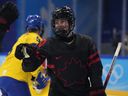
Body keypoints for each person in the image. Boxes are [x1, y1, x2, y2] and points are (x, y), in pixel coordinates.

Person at [15, 6, 106, 96]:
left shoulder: (86, 43)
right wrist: (27, 54)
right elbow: (29, 67)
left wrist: (98, 90)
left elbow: (95, 70)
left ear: (70, 23)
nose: (59, 25)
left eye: (62, 21)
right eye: (56, 22)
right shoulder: (48, 44)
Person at [0, 15, 50, 96]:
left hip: (2, 77)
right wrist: (38, 75)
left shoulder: (21, 38)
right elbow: (33, 56)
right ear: (41, 29)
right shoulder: (36, 38)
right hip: (16, 80)